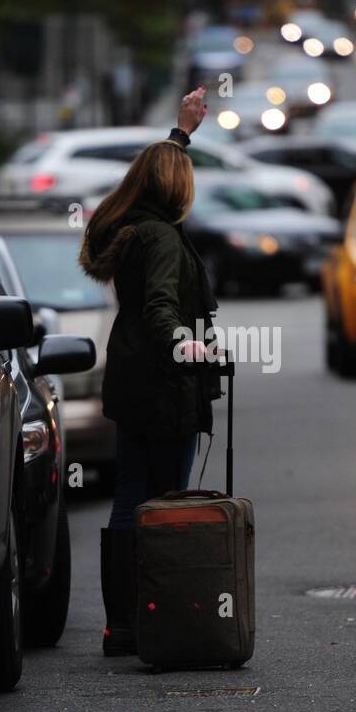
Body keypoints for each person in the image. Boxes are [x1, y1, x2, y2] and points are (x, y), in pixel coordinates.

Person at [79, 87, 222, 656]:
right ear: (176, 188)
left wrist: (180, 133)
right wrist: (191, 349)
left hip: (131, 383)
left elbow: (152, 174)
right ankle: (161, 618)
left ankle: (124, 625)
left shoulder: (133, 224)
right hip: (165, 389)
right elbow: (163, 308)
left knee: (129, 500)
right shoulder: (162, 238)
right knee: (166, 506)